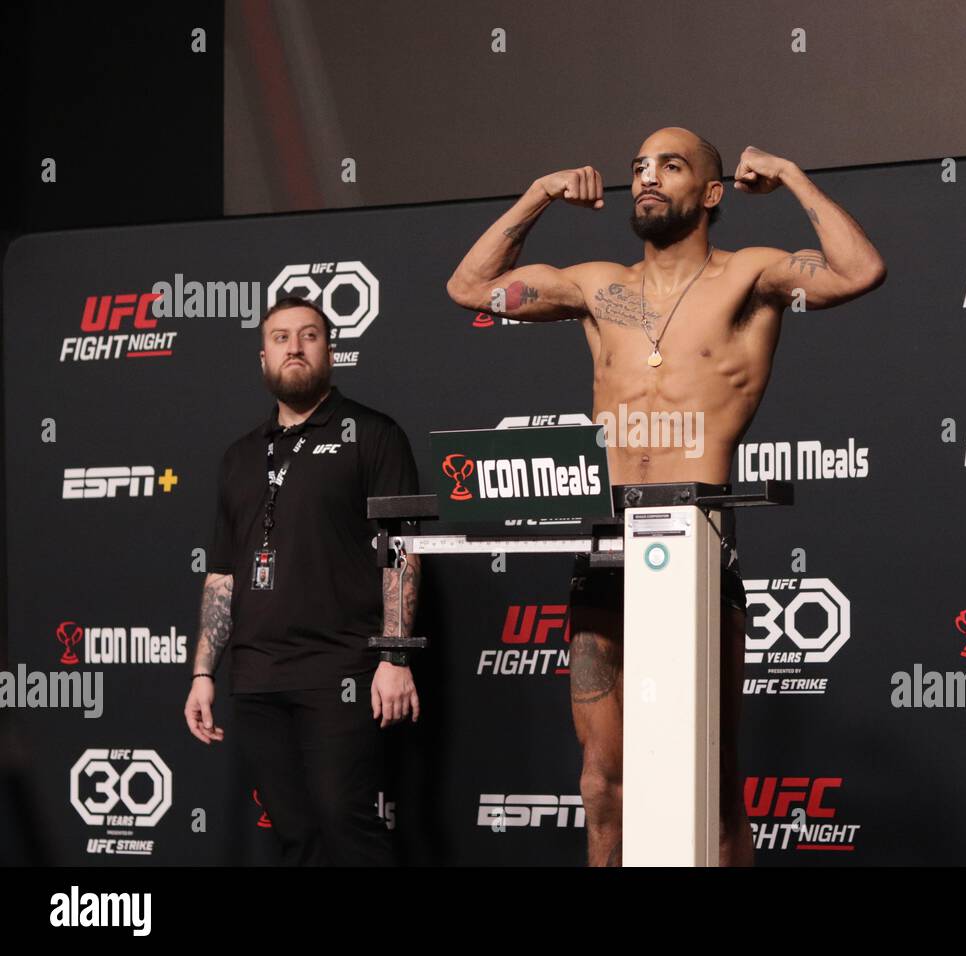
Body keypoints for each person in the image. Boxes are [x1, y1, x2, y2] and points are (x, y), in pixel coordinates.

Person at [445, 127, 886, 865]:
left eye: (671, 166)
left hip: (696, 553)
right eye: (639, 167)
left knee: (708, 795)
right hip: (606, 552)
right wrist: (539, 194)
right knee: (602, 787)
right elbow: (467, 287)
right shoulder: (597, 287)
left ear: (712, 194)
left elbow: (860, 269)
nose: (647, 178)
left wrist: (790, 175)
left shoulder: (750, 276)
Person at [183, 296, 422, 866]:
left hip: (341, 667)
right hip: (258, 673)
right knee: (294, 834)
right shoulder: (239, 457)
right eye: (281, 337)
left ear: (329, 351)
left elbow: (403, 553)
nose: (294, 346)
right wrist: (202, 672)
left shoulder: (374, 434)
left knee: (346, 821)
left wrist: (396, 655)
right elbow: (221, 574)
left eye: (309, 335)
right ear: (262, 356)